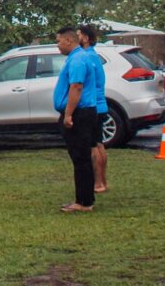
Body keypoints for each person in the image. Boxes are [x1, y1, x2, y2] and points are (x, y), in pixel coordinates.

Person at [55, 25, 98, 213]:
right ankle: (83, 198)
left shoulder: (78, 60)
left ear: (68, 40)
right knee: (79, 157)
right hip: (80, 112)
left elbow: (77, 87)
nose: (57, 45)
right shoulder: (77, 57)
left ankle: (84, 202)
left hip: (80, 114)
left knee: (81, 158)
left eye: (58, 41)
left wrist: (68, 114)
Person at [78, 25, 109, 195]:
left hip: (94, 106)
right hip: (101, 105)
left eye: (79, 35)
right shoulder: (94, 56)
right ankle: (103, 181)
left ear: (86, 38)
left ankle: (98, 182)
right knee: (99, 143)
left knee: (93, 146)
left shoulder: (87, 56)